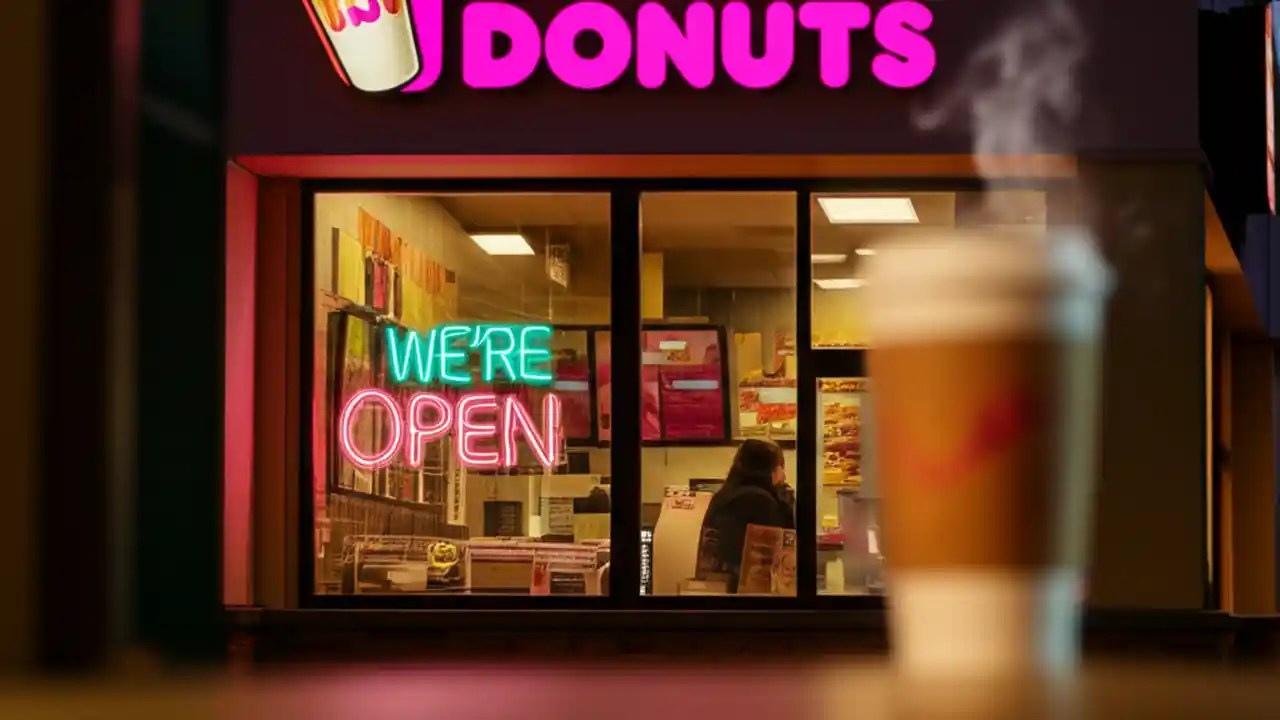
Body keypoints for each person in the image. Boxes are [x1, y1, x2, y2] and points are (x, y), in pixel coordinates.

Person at [698, 439, 795, 592]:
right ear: (770, 469)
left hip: (717, 589)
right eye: (780, 466)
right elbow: (778, 551)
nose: (784, 474)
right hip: (749, 595)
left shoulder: (725, 495)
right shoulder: (760, 501)